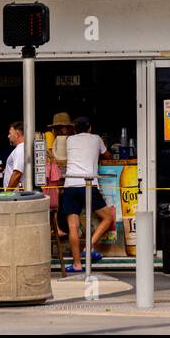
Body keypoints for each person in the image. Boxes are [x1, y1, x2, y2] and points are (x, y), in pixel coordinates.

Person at [59, 116, 115, 274]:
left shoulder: (69, 140)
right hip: (88, 184)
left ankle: (77, 265)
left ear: (75, 129)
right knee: (108, 217)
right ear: (90, 128)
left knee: (72, 227)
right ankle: (88, 247)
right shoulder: (96, 139)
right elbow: (108, 156)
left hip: (70, 184)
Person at [4, 121, 26, 190]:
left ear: (17, 134)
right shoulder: (21, 148)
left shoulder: (20, 148)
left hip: (14, 196)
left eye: (10, 133)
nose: (8, 136)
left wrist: (7, 193)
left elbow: (17, 173)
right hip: (14, 195)